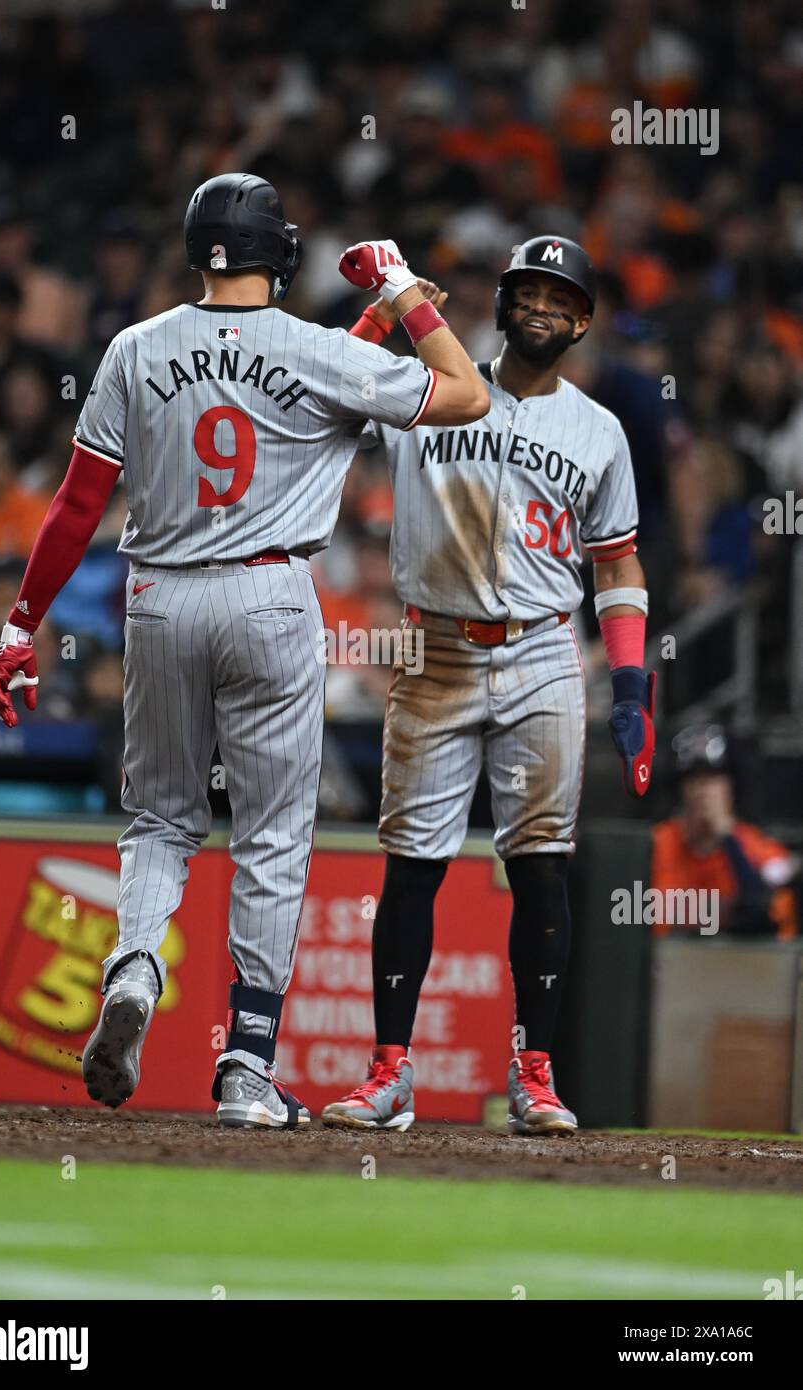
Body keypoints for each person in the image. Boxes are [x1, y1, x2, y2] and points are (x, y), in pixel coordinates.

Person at [0, 172, 488, 1129]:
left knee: (162, 821)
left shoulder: (137, 346)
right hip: (269, 598)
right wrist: (401, 287)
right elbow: (462, 393)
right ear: (280, 253)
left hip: (162, 601)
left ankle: (133, 968)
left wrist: (20, 625)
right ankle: (248, 1068)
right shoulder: (309, 349)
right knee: (269, 838)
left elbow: (77, 502)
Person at [322, 237, 655, 1135]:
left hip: (546, 651)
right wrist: (388, 309)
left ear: (582, 320)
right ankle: (389, 1072)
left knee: (542, 868)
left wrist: (630, 682)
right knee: (411, 868)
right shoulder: (434, 380)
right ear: (502, 303)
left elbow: (617, 562)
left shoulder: (599, 431)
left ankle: (535, 1075)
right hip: (434, 648)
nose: (542, 307)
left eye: (561, 297)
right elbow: (331, 381)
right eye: (528, 291)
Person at [652, 725, 798, 939]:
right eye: (694, 779)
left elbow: (772, 927)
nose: (703, 790)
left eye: (714, 778)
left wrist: (729, 841)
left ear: (732, 787)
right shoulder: (656, 845)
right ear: (680, 790)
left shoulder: (764, 853)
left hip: (740, 966)